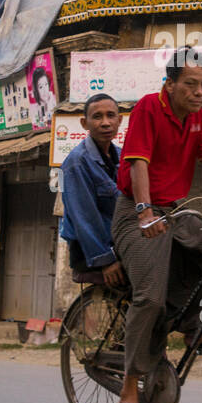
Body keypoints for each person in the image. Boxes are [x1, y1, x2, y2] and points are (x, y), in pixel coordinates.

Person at [110, 47, 202, 403]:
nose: (199, 92)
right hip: (135, 210)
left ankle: (194, 322)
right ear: (171, 84)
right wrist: (145, 211)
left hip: (174, 208)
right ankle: (130, 389)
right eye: (191, 84)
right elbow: (138, 162)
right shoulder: (149, 107)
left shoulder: (197, 118)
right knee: (150, 296)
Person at [59, 93, 125, 287]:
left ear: (119, 120)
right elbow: (84, 217)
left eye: (110, 115)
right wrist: (105, 260)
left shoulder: (122, 156)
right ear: (84, 123)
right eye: (97, 117)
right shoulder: (76, 163)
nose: (105, 123)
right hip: (92, 252)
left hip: (119, 243)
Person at [31, 64, 56, 128]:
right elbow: (38, 125)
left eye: (46, 84)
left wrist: (49, 104)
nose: (45, 90)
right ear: (36, 89)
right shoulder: (34, 109)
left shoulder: (55, 100)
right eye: (41, 87)